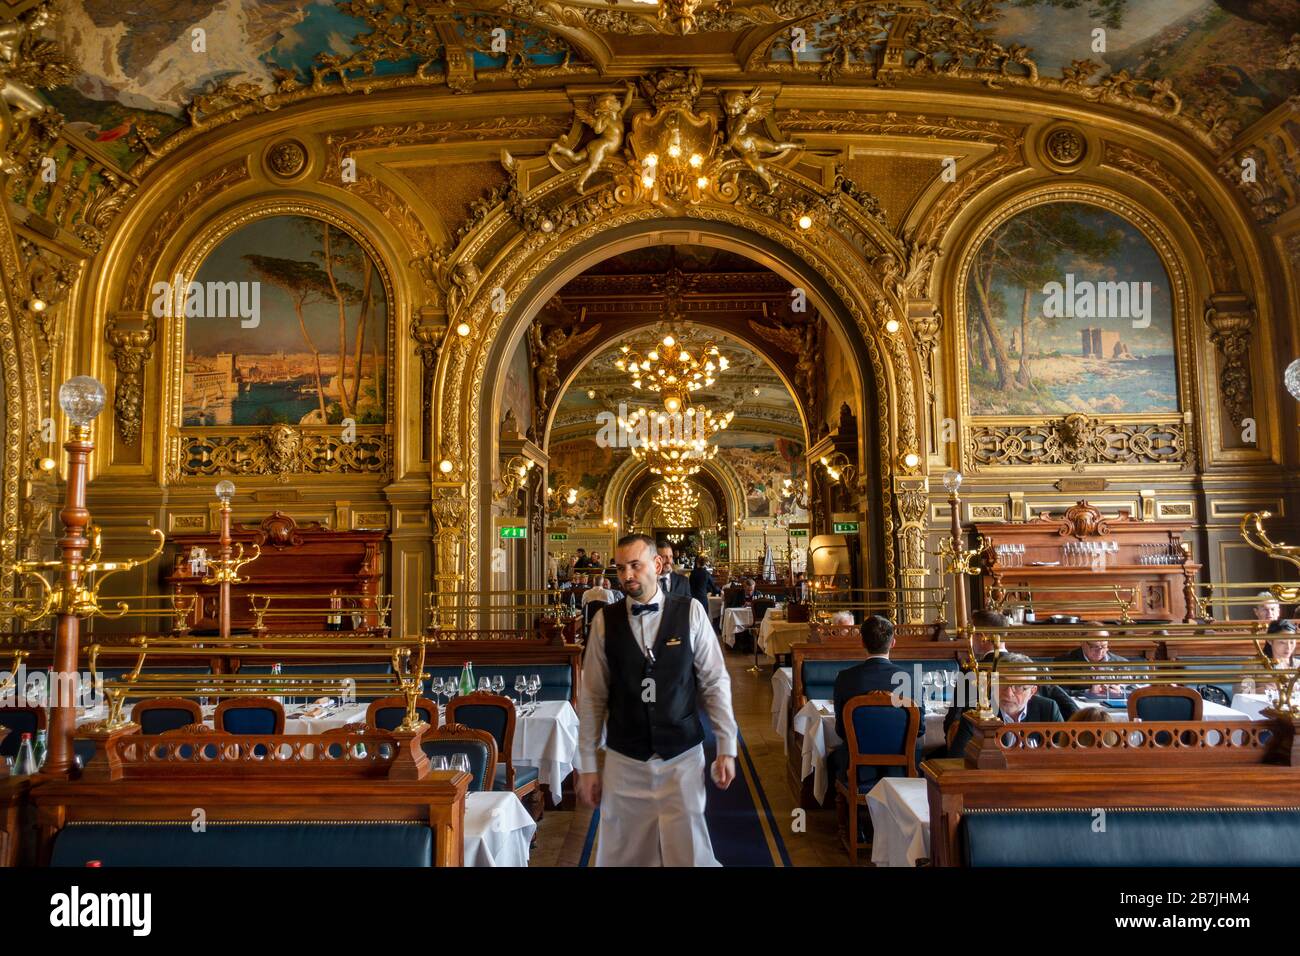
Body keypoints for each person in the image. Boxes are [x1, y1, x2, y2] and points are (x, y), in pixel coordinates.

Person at [577, 533, 737, 866]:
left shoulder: (690, 611)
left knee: (688, 851)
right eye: (620, 569)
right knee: (624, 853)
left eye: (635, 566)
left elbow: (714, 683)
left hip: (682, 755)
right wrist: (588, 765)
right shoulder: (605, 621)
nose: (627, 576)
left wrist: (727, 746)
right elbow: (592, 697)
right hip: (625, 758)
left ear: (658, 564)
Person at [948, 652, 1063, 756]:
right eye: (1002, 683)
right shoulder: (977, 711)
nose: (1008, 692)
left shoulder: (1048, 710)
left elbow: (1064, 754)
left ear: (1032, 691)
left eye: (1017, 686)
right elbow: (957, 759)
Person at [1054, 632, 1128, 698]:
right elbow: (1058, 692)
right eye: (1094, 646)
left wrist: (1120, 691)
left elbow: (1134, 690)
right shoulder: (1064, 662)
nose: (1100, 651)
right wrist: (1087, 692)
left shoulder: (1121, 663)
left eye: (1104, 646)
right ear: (1082, 642)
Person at [1238, 620, 1298, 697]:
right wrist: (1264, 689)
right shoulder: (1253, 664)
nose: (1288, 648)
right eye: (1282, 642)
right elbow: (1241, 692)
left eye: (1292, 642)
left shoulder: (1297, 665)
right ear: (1269, 640)